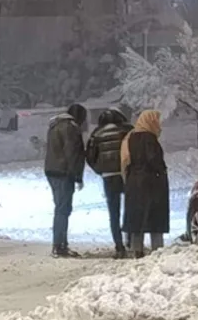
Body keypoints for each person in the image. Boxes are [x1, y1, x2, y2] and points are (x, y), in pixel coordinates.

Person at [121, 110, 169, 259]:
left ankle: (137, 249)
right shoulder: (149, 138)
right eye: (156, 120)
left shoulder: (130, 137)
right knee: (155, 218)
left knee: (137, 218)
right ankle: (157, 250)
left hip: (133, 182)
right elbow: (154, 159)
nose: (158, 123)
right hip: (151, 183)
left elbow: (125, 160)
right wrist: (162, 170)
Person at [85, 108, 133, 258]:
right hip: (126, 174)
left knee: (114, 212)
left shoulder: (97, 134)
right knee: (130, 209)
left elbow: (90, 156)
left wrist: (100, 170)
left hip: (108, 176)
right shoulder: (127, 130)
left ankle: (119, 246)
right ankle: (131, 240)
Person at [43, 104, 88, 258]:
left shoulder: (55, 125)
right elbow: (72, 152)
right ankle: (59, 245)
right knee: (63, 209)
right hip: (63, 172)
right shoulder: (70, 128)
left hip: (51, 170)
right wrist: (77, 175)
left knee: (60, 207)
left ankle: (61, 243)